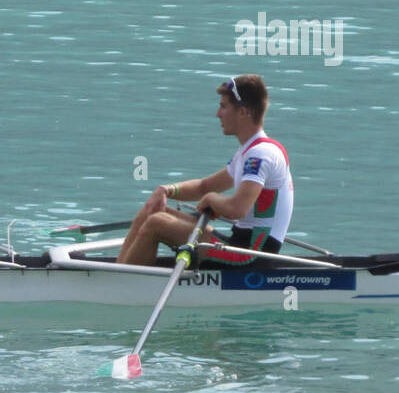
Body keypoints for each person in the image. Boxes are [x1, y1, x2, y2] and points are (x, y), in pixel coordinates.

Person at [116, 74, 294, 266]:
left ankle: (118, 288)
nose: (218, 113)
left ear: (243, 112)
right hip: (239, 242)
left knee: (156, 223)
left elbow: (237, 209)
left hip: (251, 256)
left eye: (224, 106)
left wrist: (211, 199)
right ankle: (118, 271)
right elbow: (204, 186)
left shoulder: (260, 155)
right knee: (151, 211)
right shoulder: (249, 151)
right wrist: (166, 190)